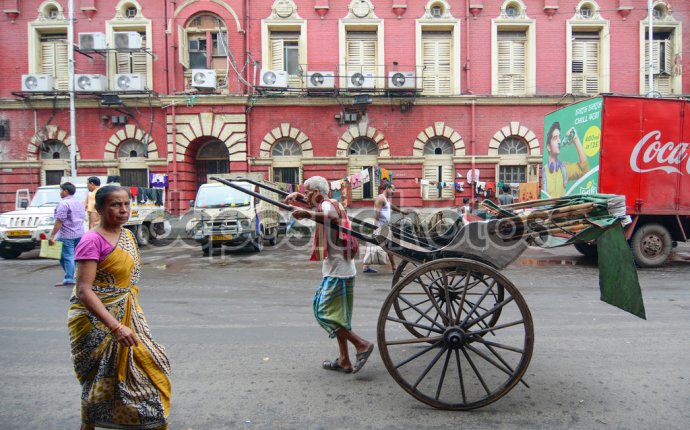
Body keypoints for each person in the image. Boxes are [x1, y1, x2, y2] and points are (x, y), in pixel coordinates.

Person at [69, 185, 171, 430]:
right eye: (115, 205)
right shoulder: (92, 240)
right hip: (96, 321)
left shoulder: (127, 235)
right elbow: (84, 290)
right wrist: (115, 327)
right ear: (101, 209)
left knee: (153, 364)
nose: (123, 210)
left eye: (126, 204)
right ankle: (90, 423)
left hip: (128, 313)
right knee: (98, 378)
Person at [285, 176, 374, 374]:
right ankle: (344, 360)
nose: (306, 197)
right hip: (338, 269)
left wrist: (306, 213)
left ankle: (361, 344)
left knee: (323, 312)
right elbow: (319, 208)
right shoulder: (327, 203)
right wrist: (298, 197)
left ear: (317, 193)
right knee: (338, 317)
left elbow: (330, 215)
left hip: (339, 271)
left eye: (307, 192)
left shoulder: (329, 204)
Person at [362, 183, 407, 274]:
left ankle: (366, 266)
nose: (393, 192)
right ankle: (394, 268)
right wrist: (376, 227)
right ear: (387, 188)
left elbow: (390, 206)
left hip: (384, 226)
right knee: (389, 246)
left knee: (379, 245)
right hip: (381, 227)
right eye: (392, 189)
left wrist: (401, 211)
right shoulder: (380, 198)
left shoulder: (385, 199)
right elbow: (377, 213)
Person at [48, 182, 86, 287]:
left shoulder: (63, 204)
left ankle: (70, 278)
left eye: (61, 190)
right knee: (74, 256)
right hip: (79, 233)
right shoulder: (79, 203)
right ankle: (75, 276)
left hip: (66, 235)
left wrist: (52, 236)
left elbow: (59, 221)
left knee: (67, 257)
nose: (60, 193)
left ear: (66, 191)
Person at [543, 121, 589, 198]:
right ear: (548, 147)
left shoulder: (564, 168)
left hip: (562, 209)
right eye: (555, 138)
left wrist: (576, 139)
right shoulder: (543, 171)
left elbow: (584, 170)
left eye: (559, 137)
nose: (559, 141)